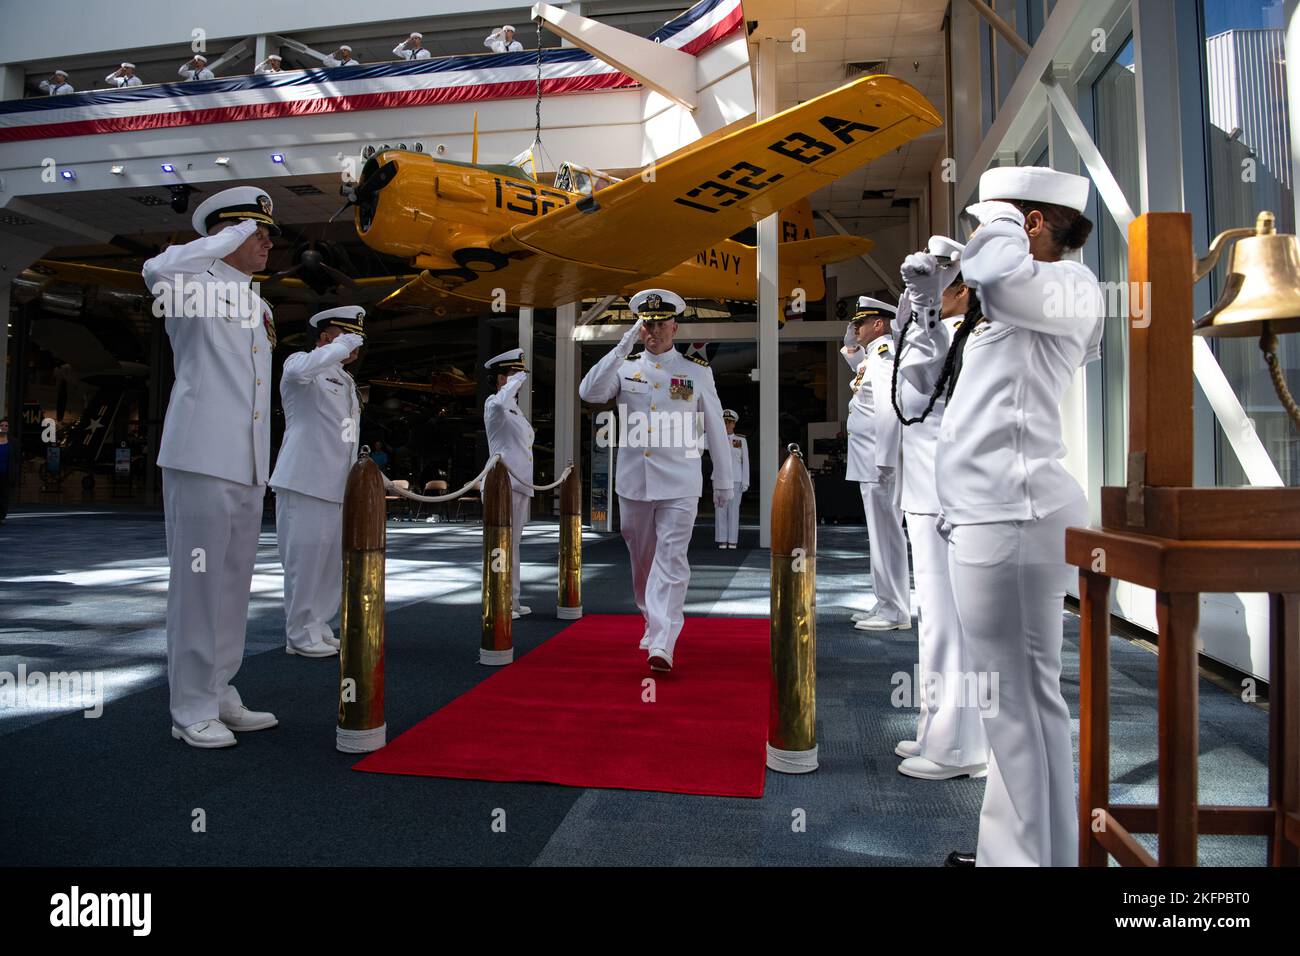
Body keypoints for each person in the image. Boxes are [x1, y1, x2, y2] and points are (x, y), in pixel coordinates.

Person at [897, 165, 1103, 867]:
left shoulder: (1063, 286)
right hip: (991, 513)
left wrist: (1003, 225)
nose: (974, 241)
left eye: (988, 223)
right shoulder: (1028, 298)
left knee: (1015, 705)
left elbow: (1003, 276)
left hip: (1011, 515)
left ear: (1031, 224)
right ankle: (1026, 853)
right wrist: (926, 304)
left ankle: (1025, 858)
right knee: (1019, 704)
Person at [142, 185, 281, 749]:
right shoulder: (190, 286)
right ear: (226, 234)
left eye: (266, 232)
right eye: (257, 231)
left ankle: (220, 689)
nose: (267, 241)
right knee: (197, 585)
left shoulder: (261, 304)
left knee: (232, 585)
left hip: (247, 460)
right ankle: (190, 708)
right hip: (200, 455)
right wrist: (224, 237)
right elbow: (156, 268)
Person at [578, 289, 732, 673]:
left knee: (672, 559)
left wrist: (723, 479)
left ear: (675, 327)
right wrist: (622, 345)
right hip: (635, 482)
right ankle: (651, 618)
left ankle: (663, 641)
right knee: (642, 558)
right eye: (648, 324)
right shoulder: (626, 368)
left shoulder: (697, 371)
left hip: (681, 481)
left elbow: (715, 428)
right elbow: (589, 392)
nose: (654, 331)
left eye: (661, 324)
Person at [889, 249, 989, 782]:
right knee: (935, 623)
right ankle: (939, 730)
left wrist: (924, 313)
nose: (916, 296)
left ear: (960, 291)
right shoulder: (942, 332)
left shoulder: (954, 336)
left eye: (936, 287)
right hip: (927, 495)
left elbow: (922, 379)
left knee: (949, 623)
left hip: (943, 498)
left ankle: (958, 748)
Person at [270, 307, 365, 659]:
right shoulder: (302, 364)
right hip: (305, 479)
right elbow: (299, 370)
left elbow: (347, 436)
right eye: (346, 335)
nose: (355, 344)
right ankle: (298, 633)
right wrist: (338, 348)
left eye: (357, 338)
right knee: (303, 561)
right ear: (325, 336)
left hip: (337, 483)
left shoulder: (346, 381)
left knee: (329, 565)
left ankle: (319, 625)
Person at [841, 296, 909, 632]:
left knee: (886, 535)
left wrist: (885, 459)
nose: (856, 329)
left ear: (879, 325)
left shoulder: (883, 358)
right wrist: (852, 340)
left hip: (878, 463)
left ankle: (895, 610)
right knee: (880, 534)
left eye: (861, 323)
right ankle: (885, 601)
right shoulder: (874, 358)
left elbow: (887, 411)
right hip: (870, 461)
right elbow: (852, 356)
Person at [483, 348, 535, 619]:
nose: (520, 380)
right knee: (501, 545)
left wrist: (515, 381)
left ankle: (512, 599)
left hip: (519, 483)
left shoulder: (515, 408)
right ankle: (500, 598)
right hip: (502, 483)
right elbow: (499, 404)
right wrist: (515, 380)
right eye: (513, 375)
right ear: (501, 378)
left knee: (513, 545)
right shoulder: (495, 404)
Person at [712, 409, 748, 549]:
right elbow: (700, 444)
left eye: (730, 422)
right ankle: (722, 539)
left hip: (736, 479)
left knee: (734, 510)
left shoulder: (740, 440)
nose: (727, 424)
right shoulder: (715, 438)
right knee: (720, 509)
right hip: (719, 478)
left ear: (734, 424)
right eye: (725, 422)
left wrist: (746, 481)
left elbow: (745, 462)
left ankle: (732, 540)